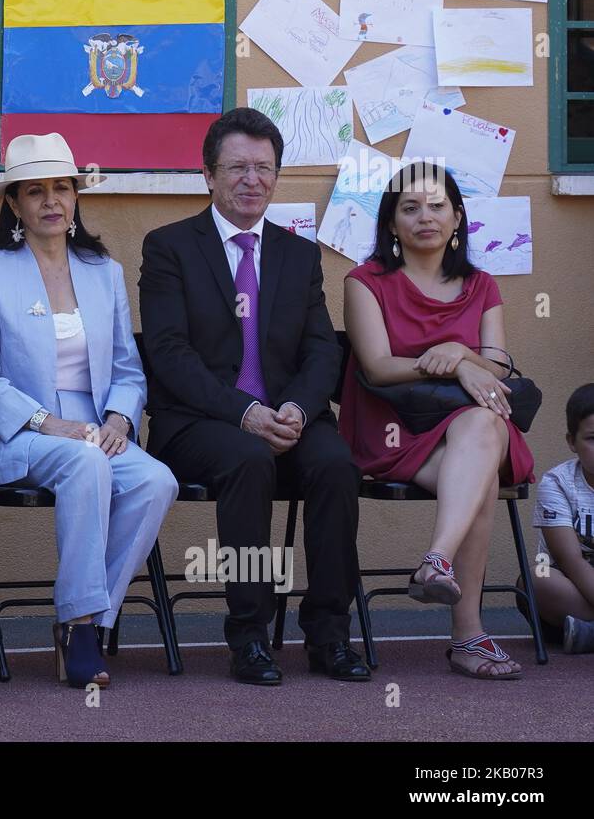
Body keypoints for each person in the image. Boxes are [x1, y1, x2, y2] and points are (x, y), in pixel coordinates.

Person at [140, 108, 368, 686]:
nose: (252, 180)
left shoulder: (297, 254)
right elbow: (168, 353)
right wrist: (244, 412)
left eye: (264, 168)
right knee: (247, 457)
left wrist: (294, 408)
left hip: (286, 416)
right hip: (200, 424)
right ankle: (251, 636)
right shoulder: (169, 247)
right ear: (208, 175)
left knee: (338, 463)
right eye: (237, 167)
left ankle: (329, 635)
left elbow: (322, 350)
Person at [0, 133, 178, 688]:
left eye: (62, 188)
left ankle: (87, 616)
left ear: (77, 196)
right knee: (86, 463)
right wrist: (46, 422)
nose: (51, 200)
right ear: (14, 204)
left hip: (94, 428)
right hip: (16, 431)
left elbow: (128, 369)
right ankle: (83, 629)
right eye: (35, 191)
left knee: (157, 481)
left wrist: (120, 421)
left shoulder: (104, 272)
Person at [341, 161, 535, 680]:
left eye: (436, 206)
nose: (424, 216)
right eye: (409, 208)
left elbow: (496, 363)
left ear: (457, 218)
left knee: (484, 428)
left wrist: (461, 354)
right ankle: (468, 635)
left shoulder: (483, 284)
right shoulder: (365, 282)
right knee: (483, 469)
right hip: (392, 430)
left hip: (468, 429)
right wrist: (459, 367)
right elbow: (379, 366)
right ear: (390, 224)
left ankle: (437, 560)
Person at [517, 384, 594, 654]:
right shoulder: (557, 482)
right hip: (570, 587)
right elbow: (570, 560)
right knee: (534, 577)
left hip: (583, 614)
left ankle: (589, 635)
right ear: (572, 442)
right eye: (592, 439)